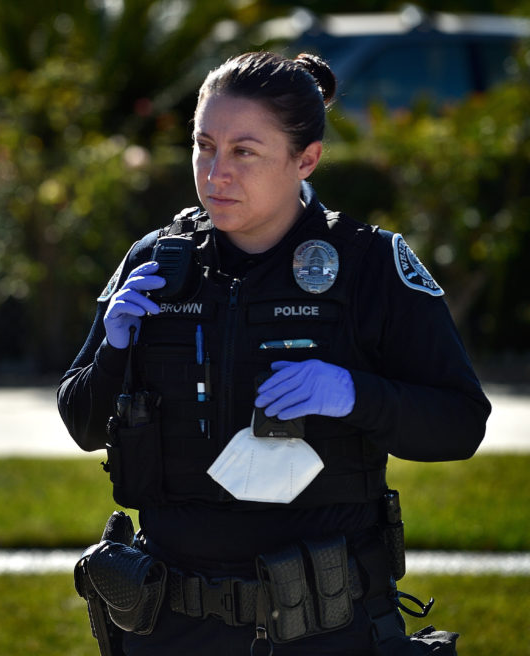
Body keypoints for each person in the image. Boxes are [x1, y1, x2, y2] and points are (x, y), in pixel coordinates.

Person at [59, 52, 490, 655]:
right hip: (171, 628)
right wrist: (113, 347)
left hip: (324, 629)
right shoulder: (156, 261)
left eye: (244, 151)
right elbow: (81, 424)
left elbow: (461, 424)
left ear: (305, 159)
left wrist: (353, 394)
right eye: (204, 146)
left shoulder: (369, 265)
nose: (215, 174)